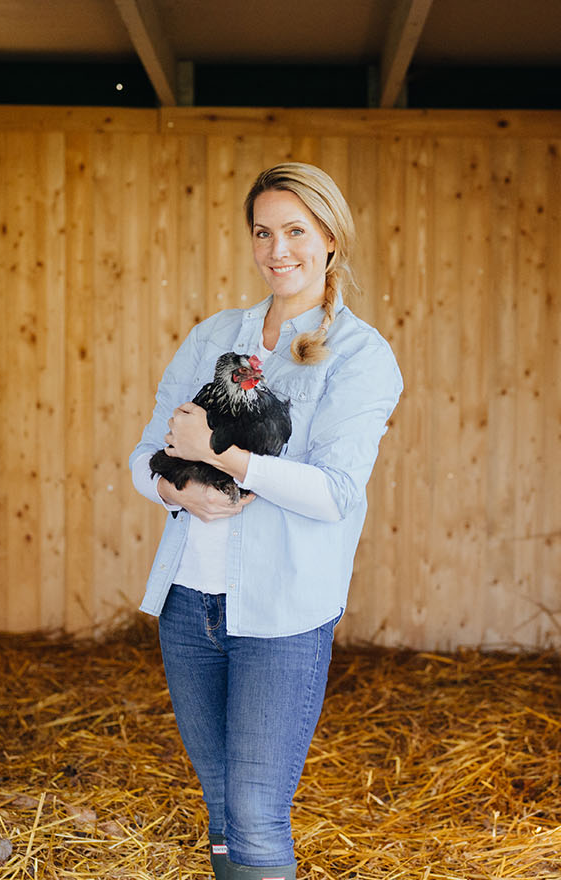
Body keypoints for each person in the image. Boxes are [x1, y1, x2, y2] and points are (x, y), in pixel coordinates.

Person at [129, 162, 402, 880]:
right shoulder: (217, 335)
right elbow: (145, 453)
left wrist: (226, 456)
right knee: (220, 807)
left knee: (255, 812)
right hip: (189, 603)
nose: (278, 249)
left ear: (331, 239)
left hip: (283, 612)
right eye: (263, 232)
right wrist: (176, 491)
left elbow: (335, 491)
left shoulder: (360, 354)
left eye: (295, 231)